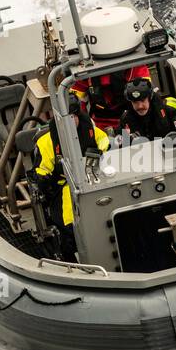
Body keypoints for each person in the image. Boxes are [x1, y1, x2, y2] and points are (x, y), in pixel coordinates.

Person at [33, 93, 110, 259]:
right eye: (66, 118)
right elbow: (41, 171)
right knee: (72, 227)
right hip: (64, 188)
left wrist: (96, 154)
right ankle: (76, 256)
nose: (70, 122)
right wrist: (45, 181)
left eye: (73, 117)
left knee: (105, 217)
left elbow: (105, 142)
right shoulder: (46, 142)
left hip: (93, 180)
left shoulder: (91, 131)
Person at [120, 76, 176, 141]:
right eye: (135, 102)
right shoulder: (125, 120)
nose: (140, 106)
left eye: (142, 101)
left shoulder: (171, 113)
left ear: (150, 98)